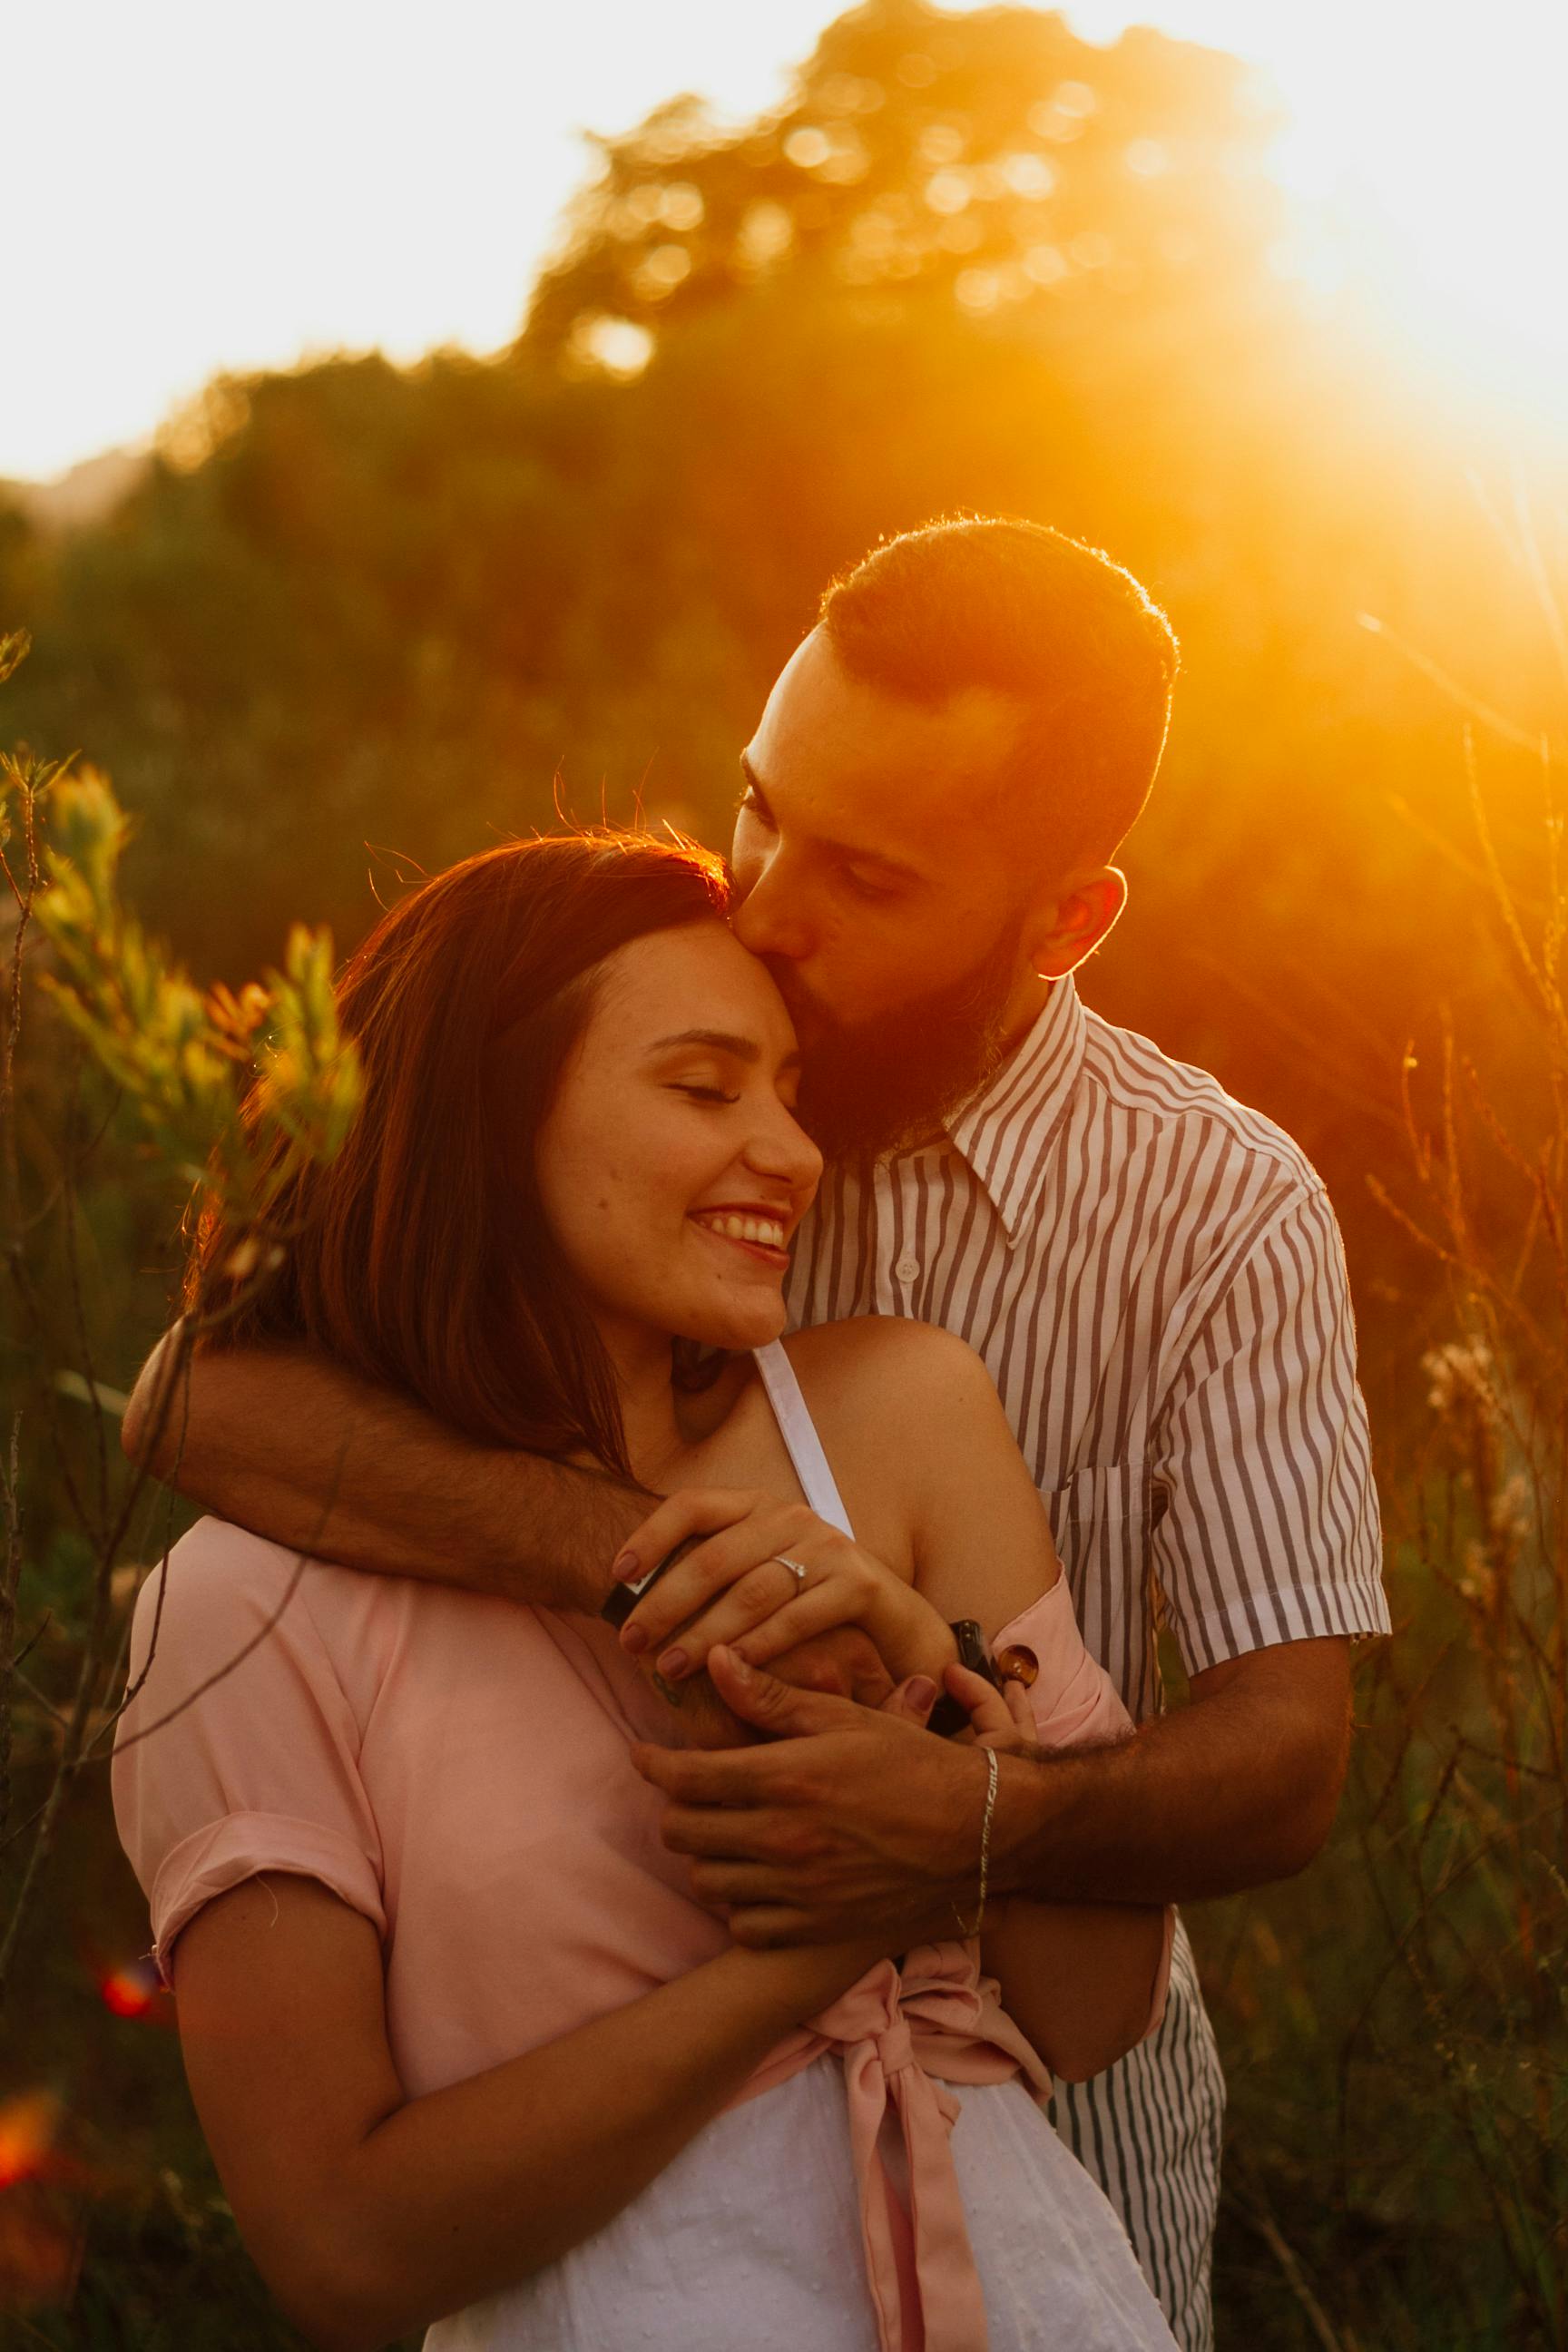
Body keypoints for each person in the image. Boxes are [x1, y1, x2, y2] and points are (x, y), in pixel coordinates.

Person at [123, 517, 1391, 2352]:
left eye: (867, 876)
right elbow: (200, 1393)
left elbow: (1284, 1761)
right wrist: (655, 1562)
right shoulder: (645, 1013)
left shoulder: (1209, 1206)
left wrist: (962, 1815)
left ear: (1062, 919)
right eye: (760, 808)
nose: (771, 904)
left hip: (1057, 2118)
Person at [113, 830, 1181, 2352]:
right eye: (704, 1088)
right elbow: (345, 2251)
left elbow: (1090, 2011)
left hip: (1032, 2295)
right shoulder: (238, 1610)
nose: (793, 1153)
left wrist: (946, 1736)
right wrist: (815, 1953)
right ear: (487, 1118)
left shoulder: (896, 1420)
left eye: (790, 1091)